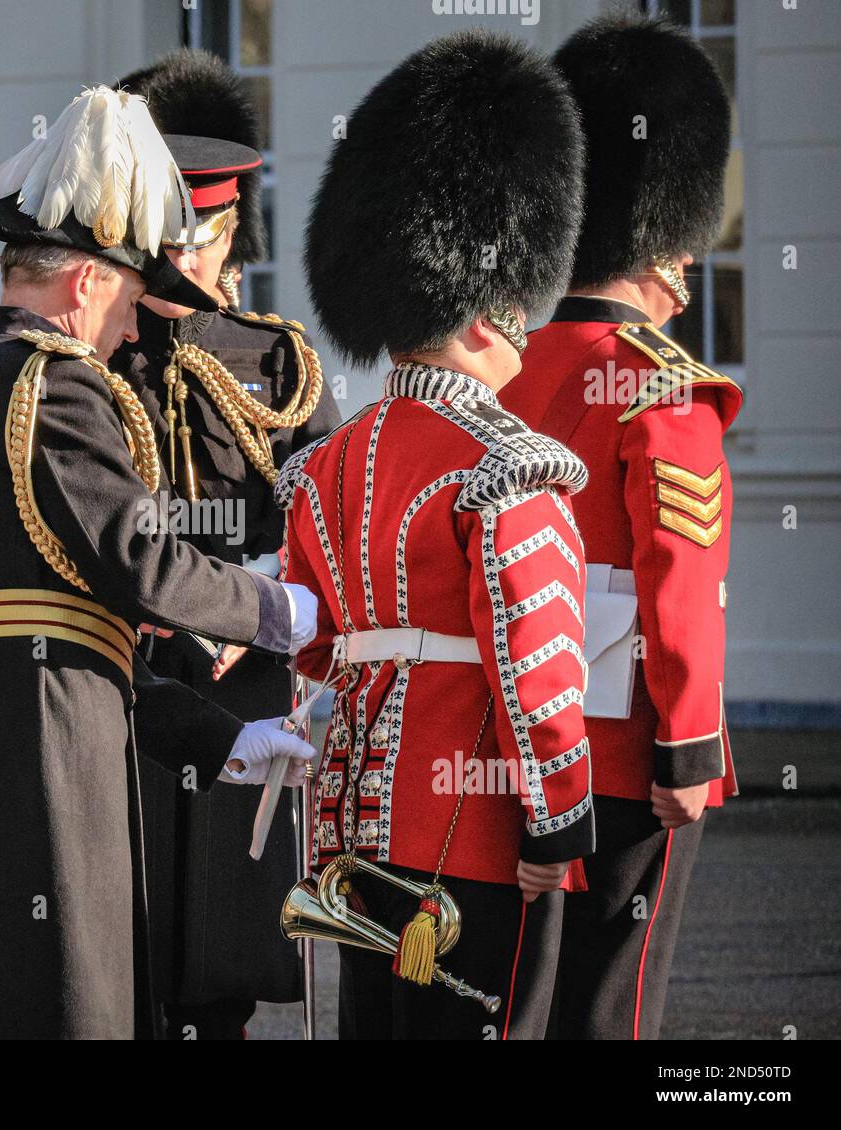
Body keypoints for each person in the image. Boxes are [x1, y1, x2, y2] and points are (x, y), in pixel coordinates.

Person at [0, 85, 319, 1039]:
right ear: (86, 282)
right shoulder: (56, 387)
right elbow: (143, 562)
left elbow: (71, 617)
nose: (134, 327)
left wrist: (218, 738)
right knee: (69, 998)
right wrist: (281, 609)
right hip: (44, 742)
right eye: (129, 298)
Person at [279, 30, 593, 1040]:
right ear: (489, 313)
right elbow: (536, 663)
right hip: (478, 830)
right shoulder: (510, 458)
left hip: (356, 832)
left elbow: (316, 646)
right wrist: (557, 816)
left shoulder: (327, 462)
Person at [500, 14, 739, 1040]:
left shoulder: (495, 370)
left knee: (519, 990)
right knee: (610, 1004)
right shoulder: (659, 387)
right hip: (621, 748)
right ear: (672, 247)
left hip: (499, 735)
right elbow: (677, 574)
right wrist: (688, 744)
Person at [112, 49, 343, 1040]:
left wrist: (257, 592)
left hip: (243, 681)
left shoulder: (276, 360)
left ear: (230, 224)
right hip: (122, 680)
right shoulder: (89, 355)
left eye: (197, 232)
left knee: (221, 972)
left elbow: (334, 527)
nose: (179, 255)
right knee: (112, 956)